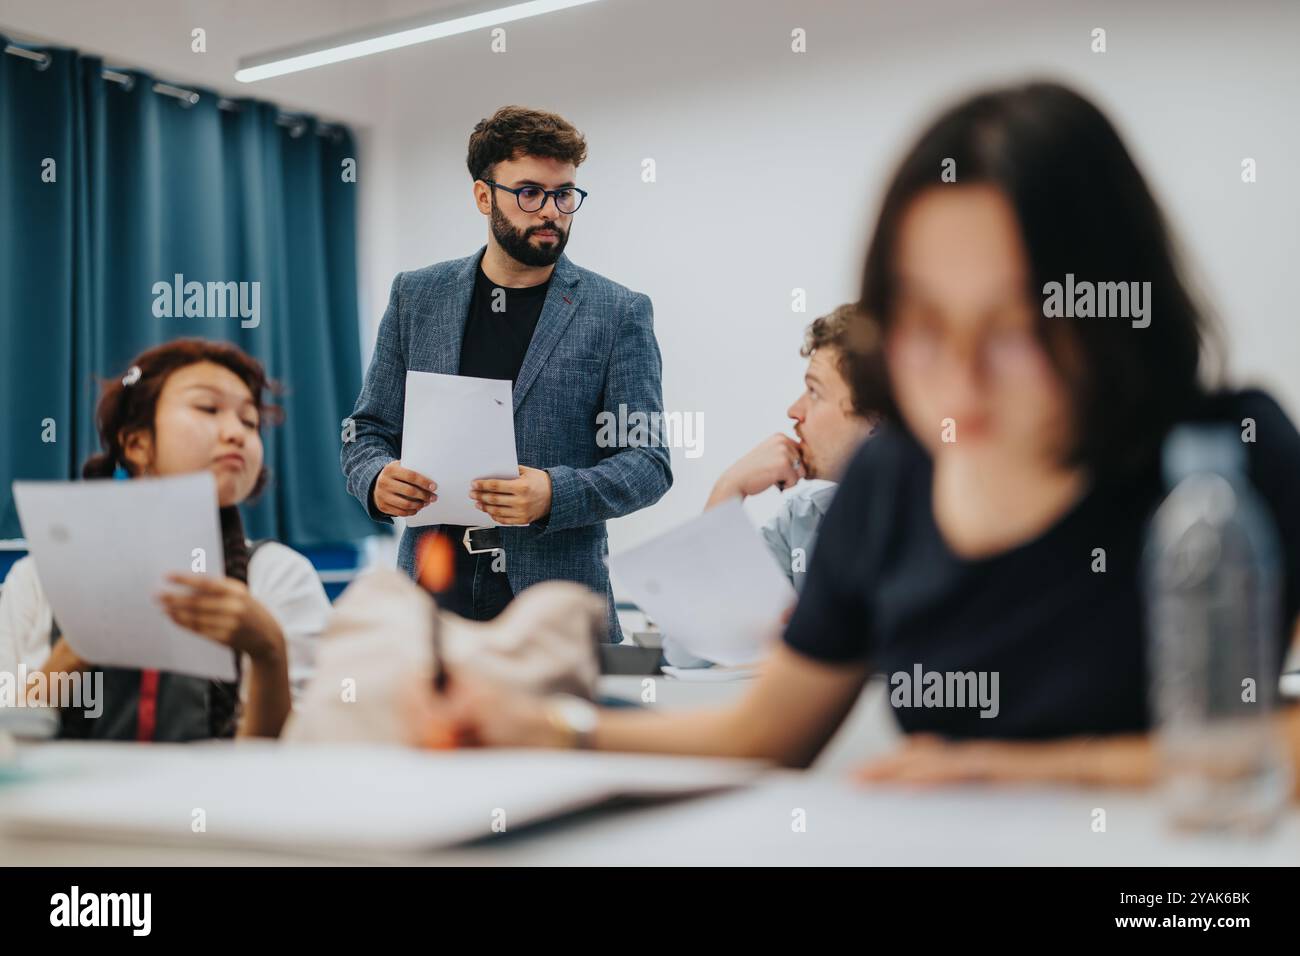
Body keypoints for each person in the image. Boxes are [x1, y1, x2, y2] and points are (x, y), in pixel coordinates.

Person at [403, 81, 1300, 766]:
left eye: (1016, 325)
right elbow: (765, 730)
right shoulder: (894, 484)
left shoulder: (1228, 455)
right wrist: (543, 729)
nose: (960, 373)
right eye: (924, 325)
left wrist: (1054, 776)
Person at [341, 106, 671, 641]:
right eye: (530, 193)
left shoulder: (618, 311)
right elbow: (367, 432)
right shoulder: (416, 297)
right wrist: (376, 479)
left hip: (555, 603)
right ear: (483, 196)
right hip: (432, 589)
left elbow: (648, 462)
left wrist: (554, 494)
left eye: (564, 195)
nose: (551, 212)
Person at [0, 339, 330, 740]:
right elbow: (9, 746)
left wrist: (268, 650)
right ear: (136, 443)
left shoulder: (282, 576)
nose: (236, 434)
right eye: (208, 408)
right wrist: (76, 649)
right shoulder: (37, 579)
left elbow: (294, 766)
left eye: (249, 421)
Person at [705, 303, 878, 591]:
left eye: (814, 391)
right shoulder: (801, 520)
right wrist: (729, 490)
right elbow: (707, 623)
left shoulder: (949, 529)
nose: (794, 410)